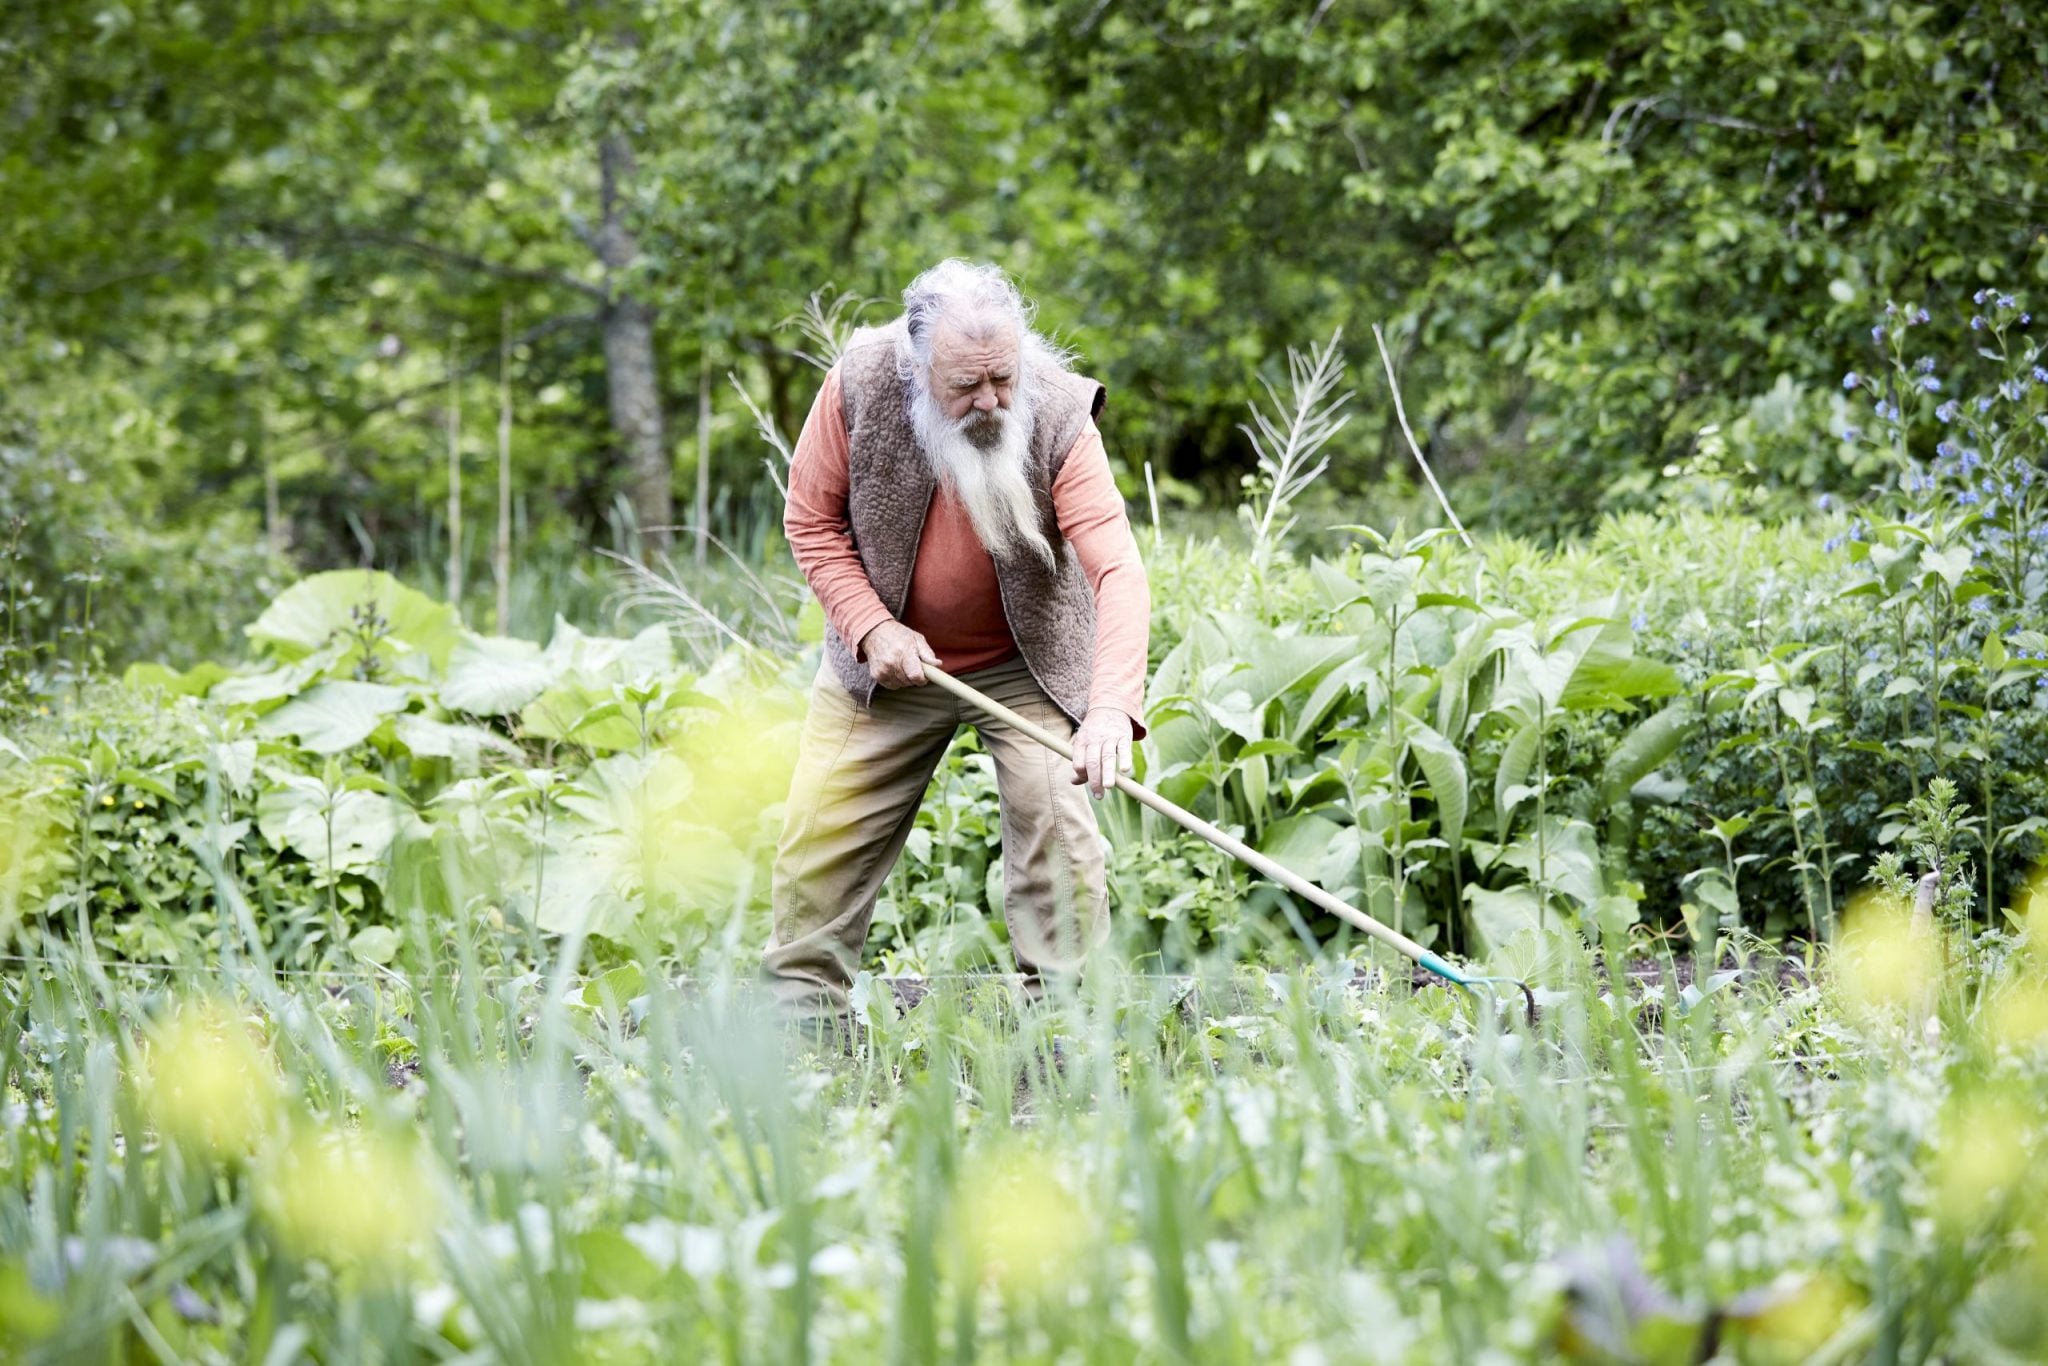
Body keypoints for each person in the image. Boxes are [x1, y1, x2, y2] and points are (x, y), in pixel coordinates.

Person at [764, 259, 1151, 1018]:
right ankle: (801, 1023)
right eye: (965, 387)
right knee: (823, 834)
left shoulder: (1059, 413)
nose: (990, 401)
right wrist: (872, 626)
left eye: (1002, 378)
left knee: (1056, 821)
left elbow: (1118, 570)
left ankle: (1066, 1024)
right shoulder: (859, 386)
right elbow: (808, 520)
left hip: (1025, 660)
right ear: (916, 368)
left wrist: (1109, 708)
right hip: (883, 665)